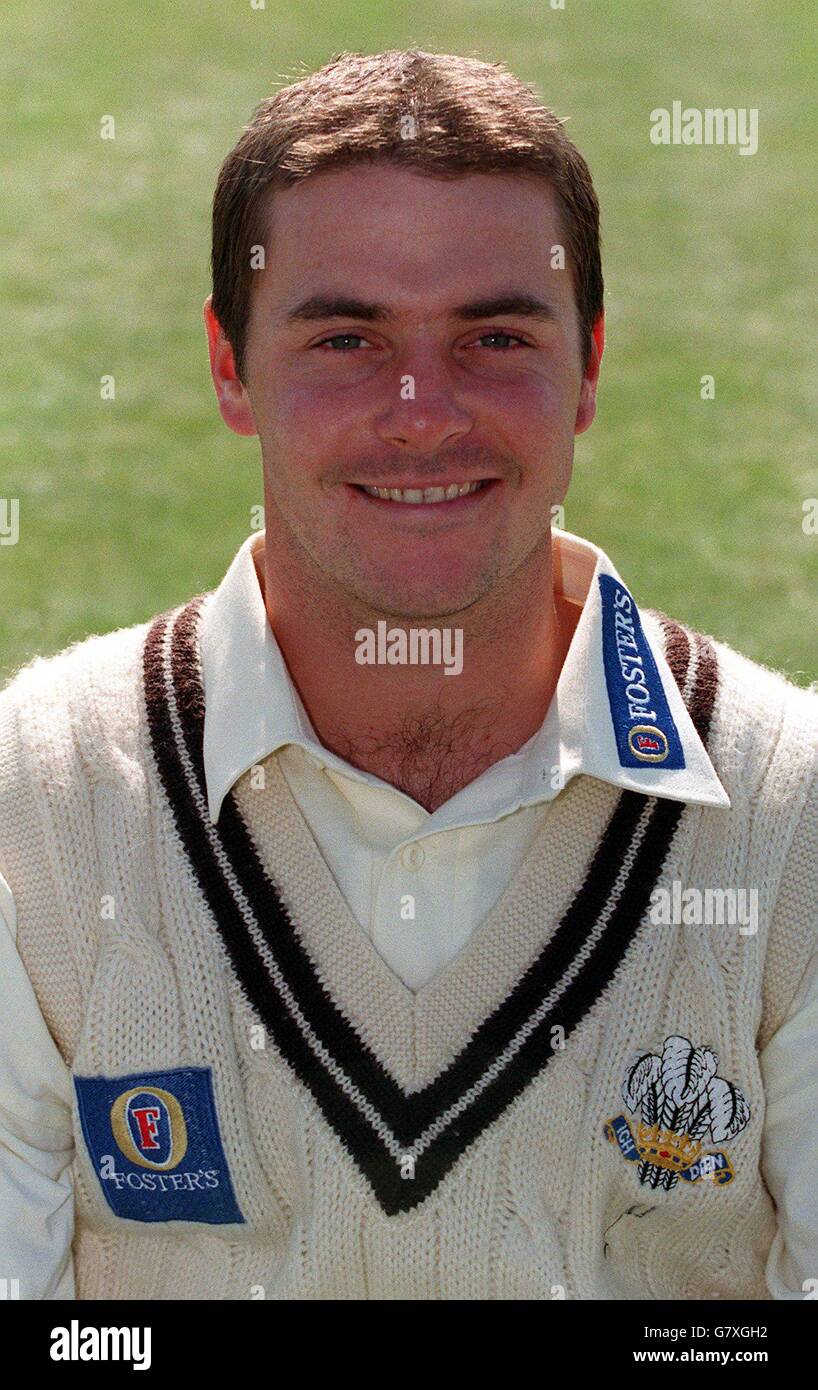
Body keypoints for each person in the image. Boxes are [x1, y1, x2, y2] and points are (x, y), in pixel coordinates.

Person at [0, 49, 815, 1301]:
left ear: (589, 365)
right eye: (345, 337)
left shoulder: (789, 809)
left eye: (493, 335)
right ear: (228, 365)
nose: (423, 409)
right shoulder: (34, 802)